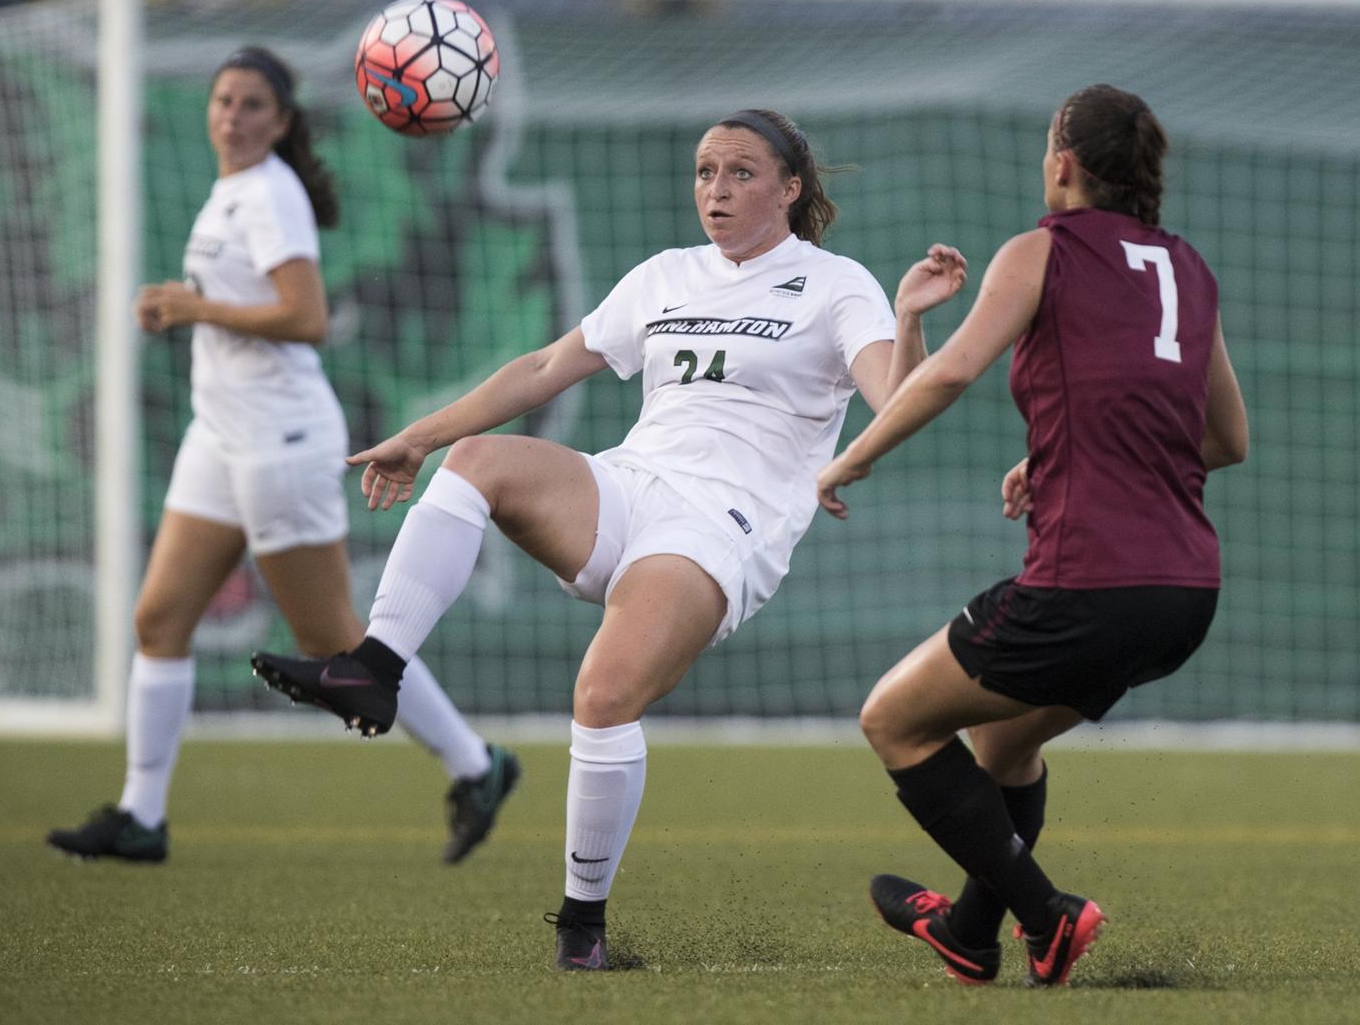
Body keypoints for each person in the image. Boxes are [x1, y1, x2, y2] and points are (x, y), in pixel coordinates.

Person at [252, 108, 967, 970]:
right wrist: (422, 435)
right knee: (477, 459)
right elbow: (548, 367)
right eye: (706, 171)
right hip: (628, 483)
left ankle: (581, 929)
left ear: (790, 188)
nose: (718, 189)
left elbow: (896, 398)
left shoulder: (833, 283)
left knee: (601, 694)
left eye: (742, 172)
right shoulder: (666, 274)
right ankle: (374, 668)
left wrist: (911, 314)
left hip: (721, 524)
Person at [817, 84, 1249, 988]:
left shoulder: (1041, 251)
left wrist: (851, 456)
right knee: (1005, 746)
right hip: (1185, 595)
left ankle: (1045, 913)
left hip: (1086, 583)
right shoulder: (1187, 268)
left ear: (1062, 162)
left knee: (892, 719)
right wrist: (1062, 455)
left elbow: (948, 377)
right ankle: (974, 934)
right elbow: (1225, 440)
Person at [47, 47, 518, 867]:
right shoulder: (234, 188)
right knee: (159, 619)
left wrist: (193, 305)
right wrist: (191, 307)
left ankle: (477, 764)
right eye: (223, 99)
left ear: (283, 120)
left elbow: (305, 317)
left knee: (336, 642)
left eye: (252, 104)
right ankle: (141, 814)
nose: (232, 114)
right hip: (219, 433)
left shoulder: (272, 194)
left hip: (280, 439)